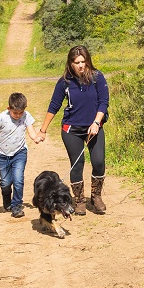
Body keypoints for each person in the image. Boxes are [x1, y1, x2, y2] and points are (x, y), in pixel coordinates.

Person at [39, 44, 110, 213]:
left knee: (99, 162)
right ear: (70, 63)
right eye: (77, 62)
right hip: (71, 129)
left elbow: (103, 102)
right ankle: (78, 200)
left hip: (94, 128)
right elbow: (54, 106)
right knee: (77, 164)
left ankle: (96, 196)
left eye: (83, 61)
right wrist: (42, 130)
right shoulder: (65, 82)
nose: (80, 65)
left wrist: (96, 122)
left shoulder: (97, 77)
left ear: (88, 61)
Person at [0, 92, 44, 217]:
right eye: (15, 113)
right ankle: (7, 201)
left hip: (19, 153)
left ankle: (16, 206)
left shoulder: (26, 116)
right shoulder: (2, 117)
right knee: (5, 182)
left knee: (18, 180)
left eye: (21, 112)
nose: (18, 115)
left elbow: (31, 132)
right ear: (8, 108)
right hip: (3, 154)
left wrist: (36, 138)